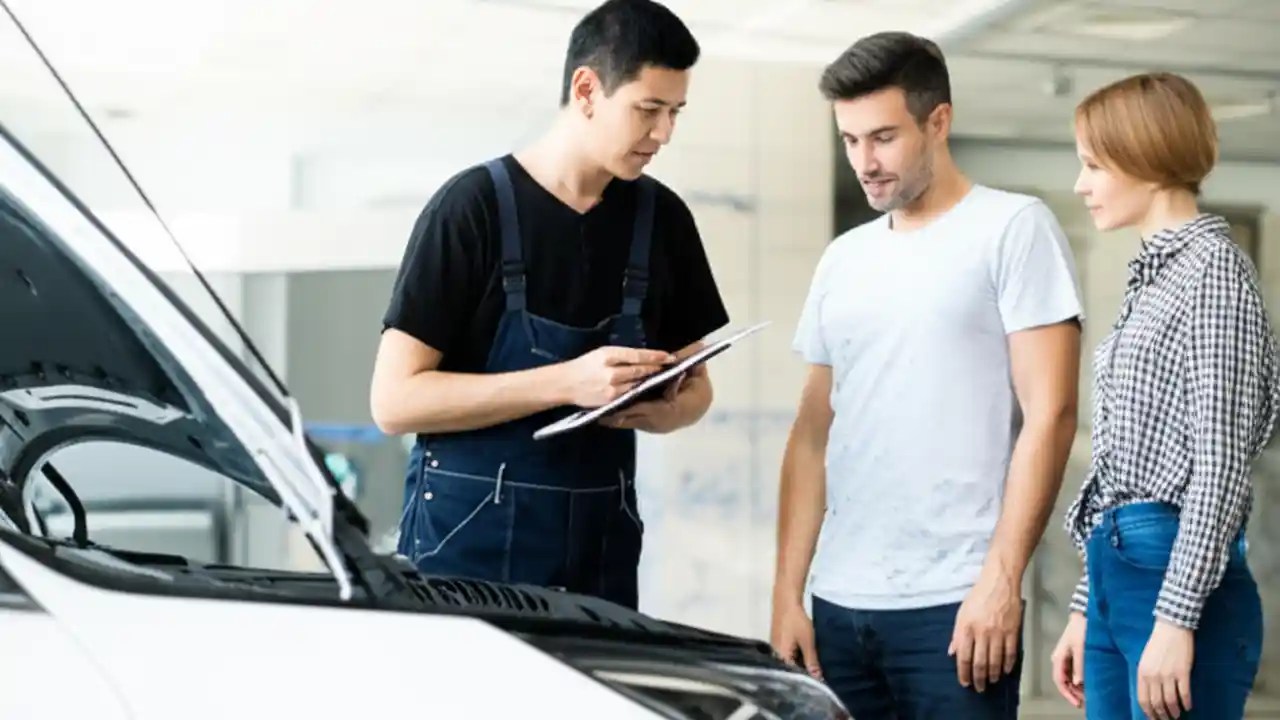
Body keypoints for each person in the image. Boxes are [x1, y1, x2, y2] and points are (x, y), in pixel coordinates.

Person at [369, 0, 729, 611]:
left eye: (675, 112)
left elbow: (698, 391)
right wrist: (569, 382)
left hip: (599, 562)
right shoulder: (470, 209)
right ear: (586, 89)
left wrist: (664, 410)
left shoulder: (662, 220)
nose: (664, 133)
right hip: (465, 564)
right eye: (648, 109)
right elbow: (394, 402)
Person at [771, 31, 1084, 718]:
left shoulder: (1012, 229)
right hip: (838, 607)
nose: (865, 162)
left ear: (938, 121)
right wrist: (787, 597)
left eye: (882, 137)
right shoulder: (844, 259)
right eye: (850, 140)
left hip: (954, 609)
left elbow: (1052, 415)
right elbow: (812, 435)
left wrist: (1001, 579)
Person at [1050, 72, 1279, 720]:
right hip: (1118, 569)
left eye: (1093, 165)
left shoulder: (1214, 274)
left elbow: (1221, 468)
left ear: (1144, 159)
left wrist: (1177, 618)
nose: (1081, 184)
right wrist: (1084, 605)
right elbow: (1119, 469)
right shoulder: (1154, 278)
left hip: (1174, 579)